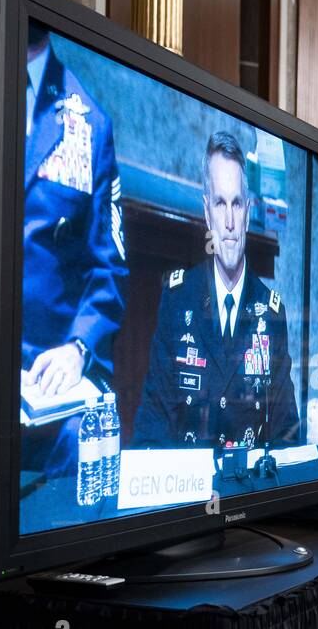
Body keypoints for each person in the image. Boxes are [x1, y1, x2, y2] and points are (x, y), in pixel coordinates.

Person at [133, 131, 299, 450]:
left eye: (236, 204)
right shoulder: (177, 299)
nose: (230, 222)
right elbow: (151, 428)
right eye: (220, 204)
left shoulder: (271, 313)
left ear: (247, 213)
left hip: (249, 481)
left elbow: (287, 434)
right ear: (208, 213)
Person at [21, 26, 127, 479]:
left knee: (88, 437)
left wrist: (78, 348)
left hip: (46, 378)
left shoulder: (88, 123)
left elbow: (109, 269)